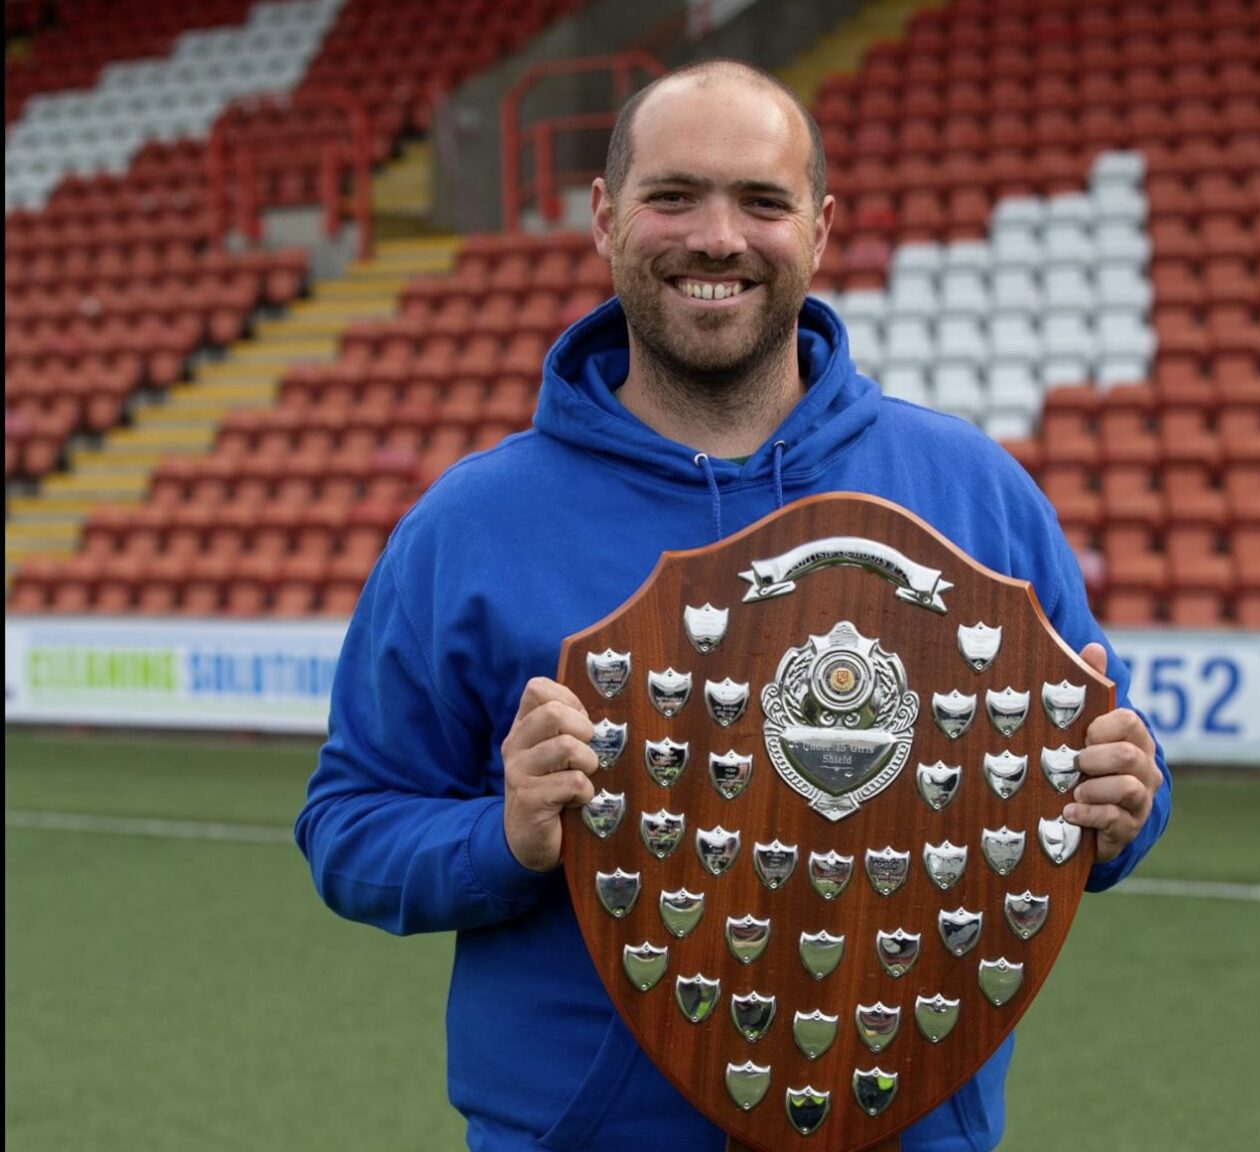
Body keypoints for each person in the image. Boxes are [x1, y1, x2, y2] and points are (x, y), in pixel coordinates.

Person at [296, 58, 1169, 1152]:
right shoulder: (471, 524)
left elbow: (1104, 774)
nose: (717, 237)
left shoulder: (970, 491)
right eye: (674, 196)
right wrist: (504, 837)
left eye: (762, 201)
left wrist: (1129, 804)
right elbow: (348, 827)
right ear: (606, 217)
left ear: (819, 228)